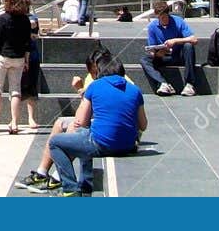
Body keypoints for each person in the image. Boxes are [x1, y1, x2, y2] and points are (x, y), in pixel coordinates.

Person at [39, 52, 148, 196]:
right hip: (128, 145)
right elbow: (143, 125)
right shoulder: (135, 90)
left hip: (103, 145)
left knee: (56, 142)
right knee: (86, 135)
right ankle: (85, 184)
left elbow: (81, 122)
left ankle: (70, 188)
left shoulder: (95, 86)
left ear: (100, 70)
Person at [0, 0, 33, 134]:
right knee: (15, 91)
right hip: (18, 58)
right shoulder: (25, 19)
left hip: (3, 57)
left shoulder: (2, 18)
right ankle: (14, 124)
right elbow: (27, 42)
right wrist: (26, 60)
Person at [140, 0, 199, 96]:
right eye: (160, 17)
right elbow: (152, 49)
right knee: (144, 59)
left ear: (168, 14)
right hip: (163, 56)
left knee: (188, 46)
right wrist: (157, 53)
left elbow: (194, 39)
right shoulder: (152, 27)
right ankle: (163, 83)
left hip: (178, 55)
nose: (163, 19)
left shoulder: (178, 22)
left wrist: (175, 41)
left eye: (165, 17)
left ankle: (189, 84)